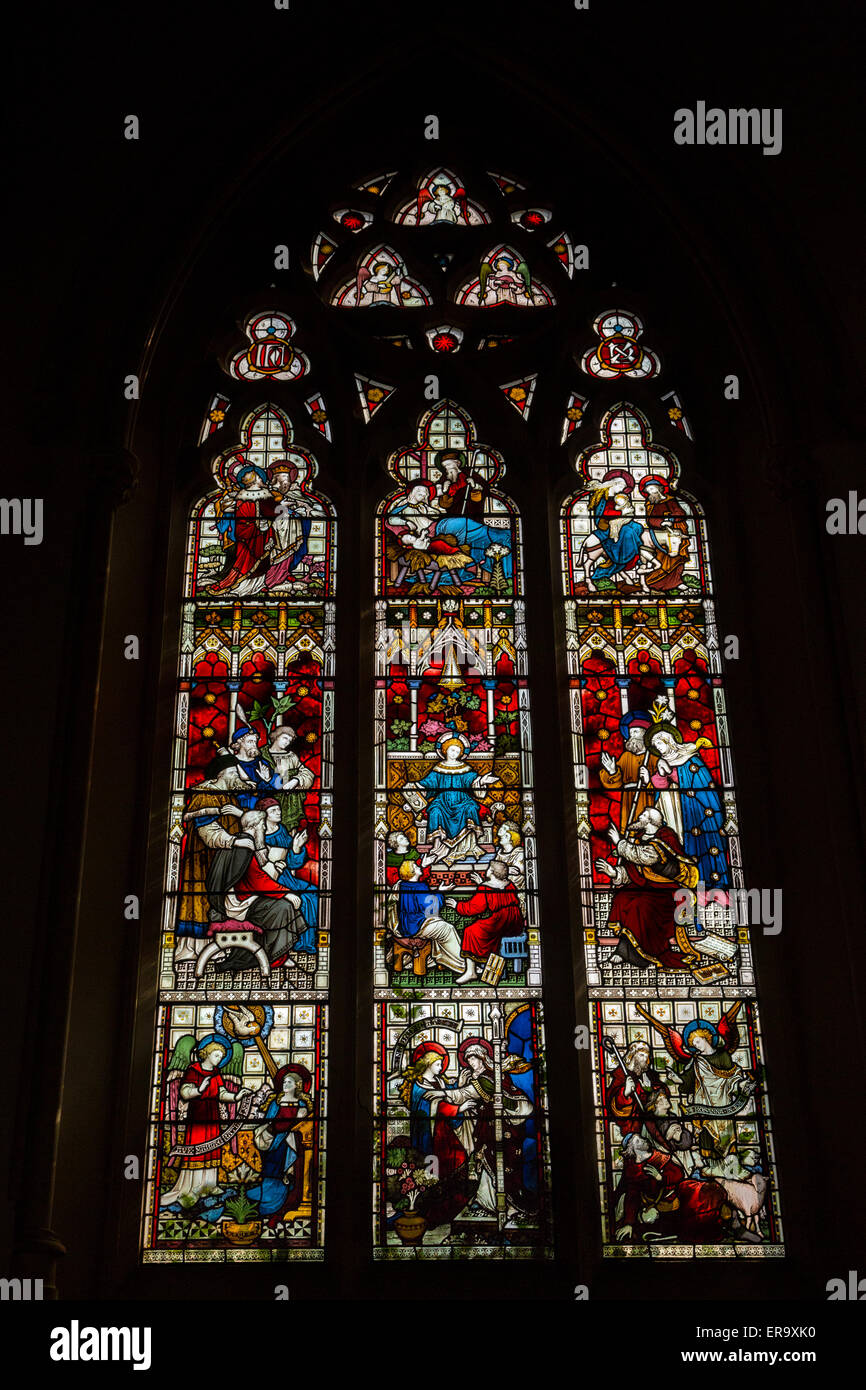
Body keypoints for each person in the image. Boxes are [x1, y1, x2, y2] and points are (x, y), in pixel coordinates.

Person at [595, 807, 702, 973]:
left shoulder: (665, 837)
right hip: (645, 887)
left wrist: (620, 843)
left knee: (640, 905)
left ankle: (642, 956)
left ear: (651, 821)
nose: (639, 816)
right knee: (622, 897)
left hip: (666, 891)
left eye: (643, 815)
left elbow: (644, 858)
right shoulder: (638, 839)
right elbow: (634, 871)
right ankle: (624, 951)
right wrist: (614, 872)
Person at [204, 809, 306, 973]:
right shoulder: (244, 846)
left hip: (241, 898)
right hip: (238, 904)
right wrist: (286, 893)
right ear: (255, 826)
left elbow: (251, 879)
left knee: (281, 907)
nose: (265, 830)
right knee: (283, 908)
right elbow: (257, 880)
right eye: (263, 826)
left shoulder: (240, 842)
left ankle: (276, 955)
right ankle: (274, 957)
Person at [160, 1036, 246, 1206]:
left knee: (212, 1147)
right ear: (206, 1053)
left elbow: (222, 1094)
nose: (219, 1059)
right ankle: (192, 1186)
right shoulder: (193, 1070)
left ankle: (210, 1185)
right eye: (216, 1055)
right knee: (197, 1146)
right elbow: (184, 1092)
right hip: (198, 1114)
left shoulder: (216, 1073)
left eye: (221, 1057)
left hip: (212, 1114)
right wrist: (199, 1090)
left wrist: (236, 1096)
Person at [398, 1042, 478, 1224]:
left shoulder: (439, 1081)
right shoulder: (418, 1087)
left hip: (445, 1134)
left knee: (458, 1160)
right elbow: (435, 1107)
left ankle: (453, 1208)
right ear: (428, 1064)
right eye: (438, 1064)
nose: (441, 1067)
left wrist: (462, 1085)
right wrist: (459, 1109)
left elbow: (449, 1094)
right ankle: (434, 1215)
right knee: (433, 1172)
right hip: (430, 1138)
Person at [643, 723, 730, 888]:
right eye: (655, 746)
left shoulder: (690, 756)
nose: (658, 748)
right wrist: (658, 775)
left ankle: (713, 884)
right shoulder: (661, 762)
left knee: (704, 843)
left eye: (659, 743)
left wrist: (670, 773)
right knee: (682, 846)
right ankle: (690, 882)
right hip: (675, 815)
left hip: (696, 811)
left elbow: (698, 783)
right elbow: (660, 789)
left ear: (668, 740)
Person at [404, 734, 498, 857]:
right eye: (452, 750)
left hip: (463, 799)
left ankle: (468, 847)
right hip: (442, 801)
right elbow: (428, 784)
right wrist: (416, 787)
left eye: (458, 751)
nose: (455, 753)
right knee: (435, 811)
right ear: (445, 749)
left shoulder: (465, 768)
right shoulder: (438, 769)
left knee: (471, 808)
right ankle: (437, 847)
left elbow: (472, 781)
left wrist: (482, 781)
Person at [248, 1064, 313, 1222]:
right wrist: (271, 1131)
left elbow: (299, 1124)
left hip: (290, 1144)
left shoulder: (302, 1106)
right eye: (284, 1082)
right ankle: (264, 1200)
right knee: (270, 1171)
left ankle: (279, 1203)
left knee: (285, 1174)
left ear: (297, 1085)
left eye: (289, 1082)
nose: (285, 1085)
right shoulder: (275, 1104)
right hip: (272, 1144)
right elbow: (268, 1122)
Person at [393, 859, 473, 981]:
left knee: (439, 926)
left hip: (407, 925)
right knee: (447, 929)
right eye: (415, 865)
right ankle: (462, 965)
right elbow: (431, 907)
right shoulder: (419, 887)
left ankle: (443, 958)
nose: (419, 866)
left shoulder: (403, 885)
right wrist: (441, 893)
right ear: (412, 871)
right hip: (418, 926)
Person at [258, 797, 318, 953]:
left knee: (312, 892)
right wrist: (275, 863)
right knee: (304, 899)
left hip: (287, 878)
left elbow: (293, 863)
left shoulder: (282, 830)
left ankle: (308, 942)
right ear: (264, 815)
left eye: (278, 809)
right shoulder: (259, 834)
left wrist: (297, 848)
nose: (278, 812)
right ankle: (298, 942)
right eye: (273, 810)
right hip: (271, 879)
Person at [208, 464, 276, 596]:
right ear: (255, 479)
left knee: (258, 563)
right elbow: (273, 513)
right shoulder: (255, 497)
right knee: (249, 562)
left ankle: (256, 587)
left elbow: (272, 512)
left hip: (255, 535)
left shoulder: (242, 497)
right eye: (260, 478)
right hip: (252, 534)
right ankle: (244, 588)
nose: (263, 480)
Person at [448, 859, 526, 971]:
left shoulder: (485, 887)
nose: (487, 869)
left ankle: (471, 971)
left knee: (470, 931)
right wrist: (481, 884)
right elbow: (497, 894)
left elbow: (474, 908)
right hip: (514, 920)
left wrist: (457, 906)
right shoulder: (509, 884)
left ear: (492, 872)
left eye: (489, 868)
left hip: (499, 921)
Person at [599, 711, 657, 833]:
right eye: (630, 733)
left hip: (649, 799)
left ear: (645, 733)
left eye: (635, 732)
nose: (632, 736)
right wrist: (612, 771)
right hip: (628, 800)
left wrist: (648, 781)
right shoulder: (625, 757)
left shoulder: (655, 756)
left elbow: (665, 783)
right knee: (629, 828)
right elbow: (614, 785)